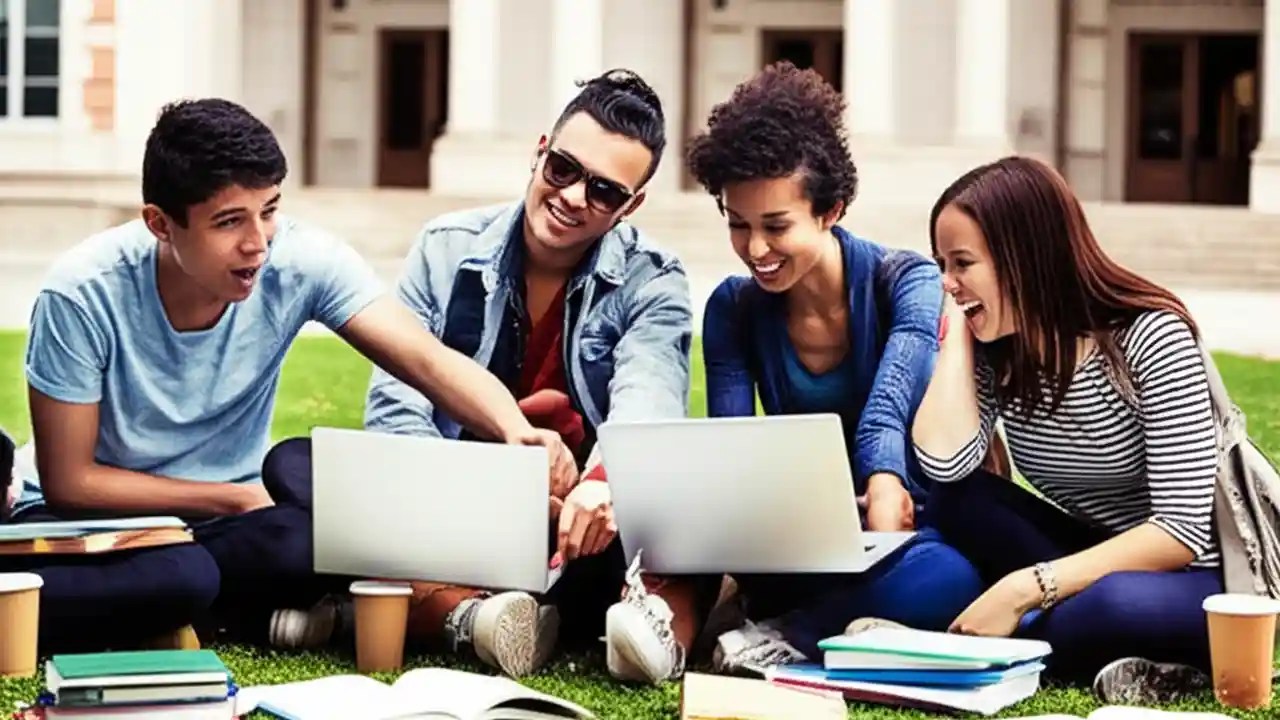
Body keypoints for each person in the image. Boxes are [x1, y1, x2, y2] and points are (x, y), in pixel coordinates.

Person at [10, 98, 573, 652]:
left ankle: (231, 612)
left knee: (310, 521)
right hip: (94, 522)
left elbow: (424, 358)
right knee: (184, 575)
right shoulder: (82, 292)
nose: (258, 242)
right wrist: (230, 499)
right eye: (229, 221)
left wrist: (514, 432)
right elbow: (71, 482)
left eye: (270, 209)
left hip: (230, 528)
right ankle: (240, 610)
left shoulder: (301, 259)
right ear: (161, 223)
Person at [599, 61, 985, 685]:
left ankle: (779, 635)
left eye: (777, 226)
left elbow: (888, 409)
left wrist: (884, 484)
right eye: (737, 223)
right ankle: (684, 625)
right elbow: (733, 444)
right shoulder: (733, 306)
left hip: (900, 528)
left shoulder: (903, 281)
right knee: (683, 521)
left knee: (948, 574)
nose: (756, 250)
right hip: (789, 540)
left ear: (831, 209)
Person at [357, 69, 694, 678]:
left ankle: (476, 612)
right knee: (303, 472)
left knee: (695, 502)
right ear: (540, 153)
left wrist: (599, 484)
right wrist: (451, 497)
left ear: (630, 206)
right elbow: (395, 408)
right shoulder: (445, 247)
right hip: (455, 506)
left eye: (603, 192)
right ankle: (488, 619)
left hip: (583, 525)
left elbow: (649, 403)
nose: (571, 197)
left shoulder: (654, 280)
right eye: (563, 168)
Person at [913, 155, 1232, 703]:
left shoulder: (1150, 337)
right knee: (958, 498)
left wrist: (1026, 587)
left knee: (1109, 608)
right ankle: (1100, 652)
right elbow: (945, 465)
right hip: (1093, 554)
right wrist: (958, 334)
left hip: (1197, 575)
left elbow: (1180, 532)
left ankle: (974, 638)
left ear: (1026, 258)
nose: (947, 281)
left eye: (962, 263)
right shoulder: (998, 351)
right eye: (941, 263)